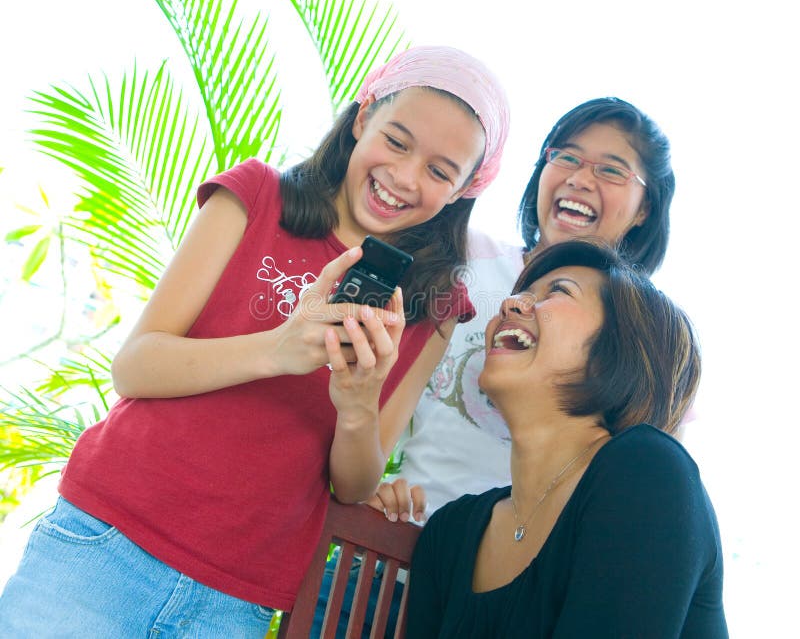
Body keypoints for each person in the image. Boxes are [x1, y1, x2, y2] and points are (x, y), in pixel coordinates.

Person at [0, 46, 510, 637]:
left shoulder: (435, 310)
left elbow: (356, 484)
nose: (404, 177)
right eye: (396, 140)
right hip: (105, 541)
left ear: (466, 187)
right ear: (363, 116)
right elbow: (135, 367)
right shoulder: (255, 196)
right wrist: (278, 349)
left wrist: (357, 406)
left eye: (440, 170)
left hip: (236, 598)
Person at [314, 97, 678, 635]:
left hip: (515, 605)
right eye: (567, 157)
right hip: (386, 562)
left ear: (646, 207)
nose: (580, 178)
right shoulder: (459, 260)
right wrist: (369, 484)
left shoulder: (650, 348)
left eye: (610, 169)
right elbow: (369, 397)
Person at [407, 240, 727, 637]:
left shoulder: (648, 472)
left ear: (618, 349)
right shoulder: (450, 532)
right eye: (518, 295)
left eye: (557, 291)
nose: (511, 305)